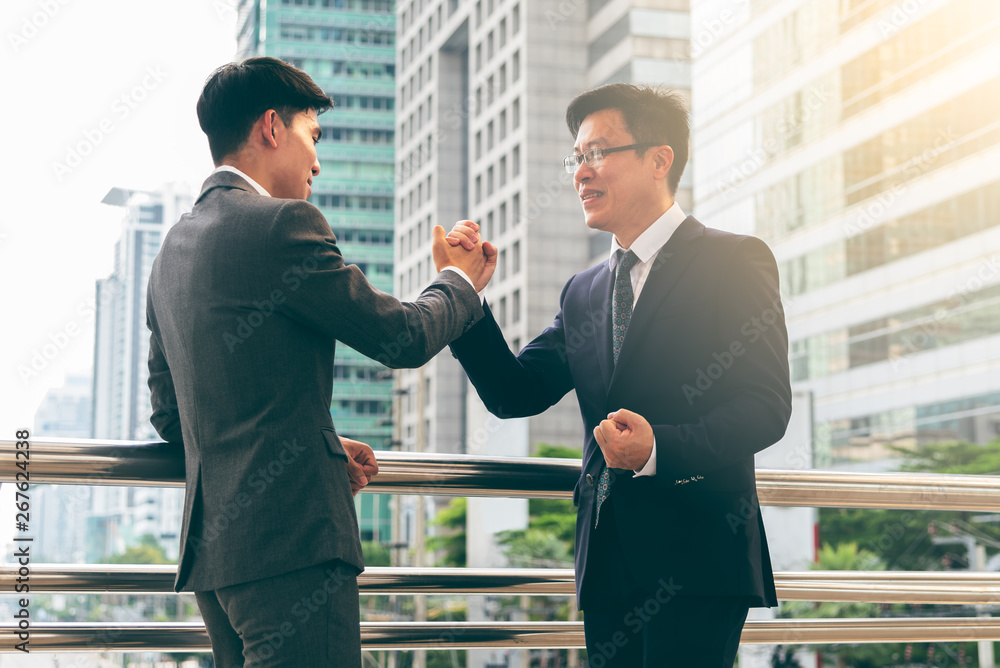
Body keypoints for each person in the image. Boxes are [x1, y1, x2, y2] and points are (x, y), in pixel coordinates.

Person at [145, 56, 496, 667]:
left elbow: (172, 416)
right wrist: (457, 282)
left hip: (215, 561)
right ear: (272, 129)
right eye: (314, 135)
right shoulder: (282, 223)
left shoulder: (171, 250)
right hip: (293, 548)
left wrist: (318, 445)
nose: (317, 160)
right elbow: (401, 338)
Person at [446, 83, 792, 666]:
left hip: (698, 562)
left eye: (598, 153)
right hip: (606, 562)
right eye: (576, 158)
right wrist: (464, 296)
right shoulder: (585, 290)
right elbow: (515, 392)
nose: (581, 172)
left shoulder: (735, 260)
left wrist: (659, 449)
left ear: (661, 159)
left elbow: (765, 405)